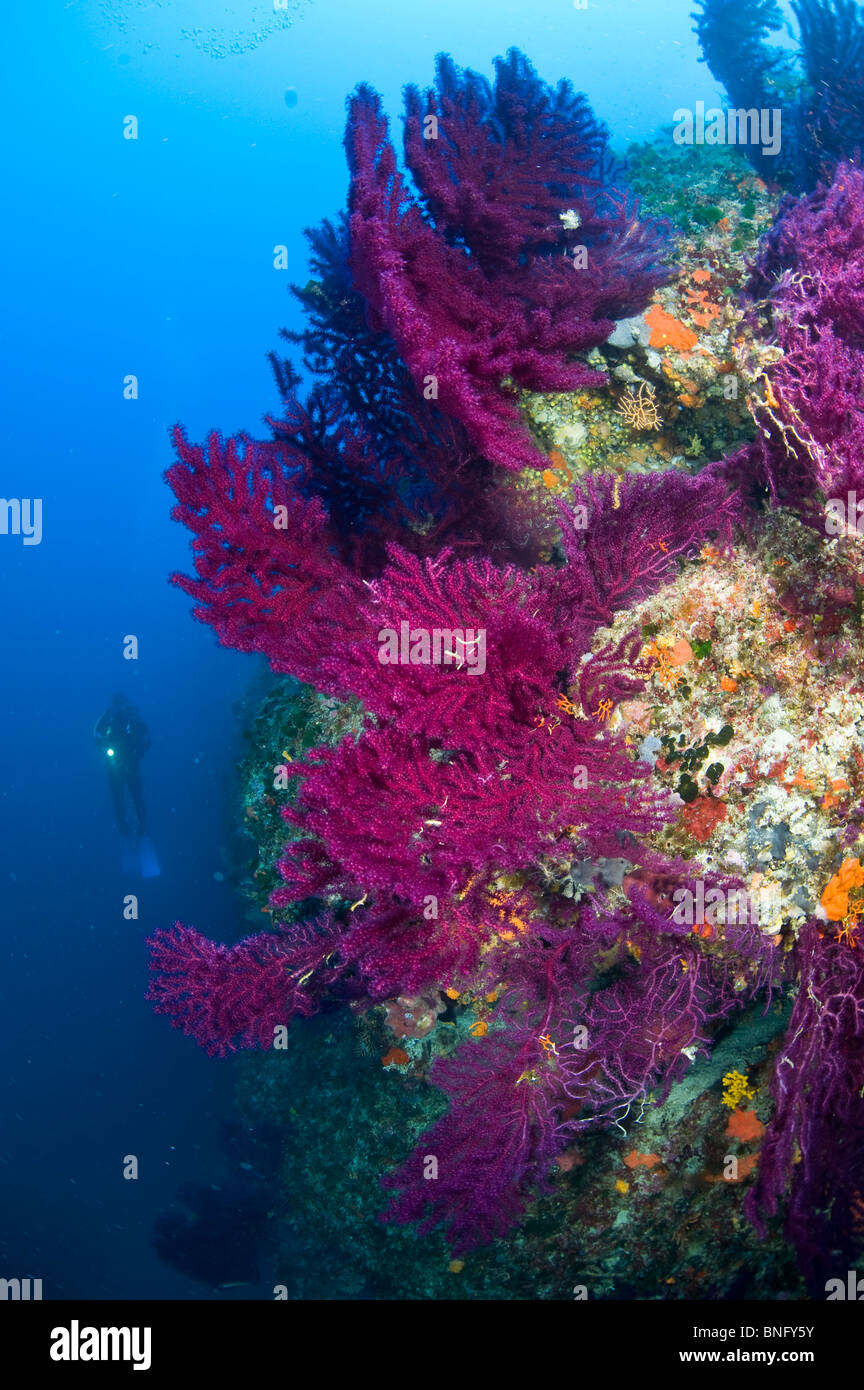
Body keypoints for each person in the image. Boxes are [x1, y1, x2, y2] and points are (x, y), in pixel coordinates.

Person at [94, 693, 151, 835]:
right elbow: (96, 734)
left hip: (132, 763)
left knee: (136, 796)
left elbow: (147, 738)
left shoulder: (133, 717)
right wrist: (104, 746)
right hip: (114, 765)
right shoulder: (108, 716)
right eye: (117, 704)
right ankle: (123, 826)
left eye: (121, 704)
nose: (119, 708)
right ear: (113, 705)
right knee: (118, 797)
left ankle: (142, 825)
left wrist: (139, 752)